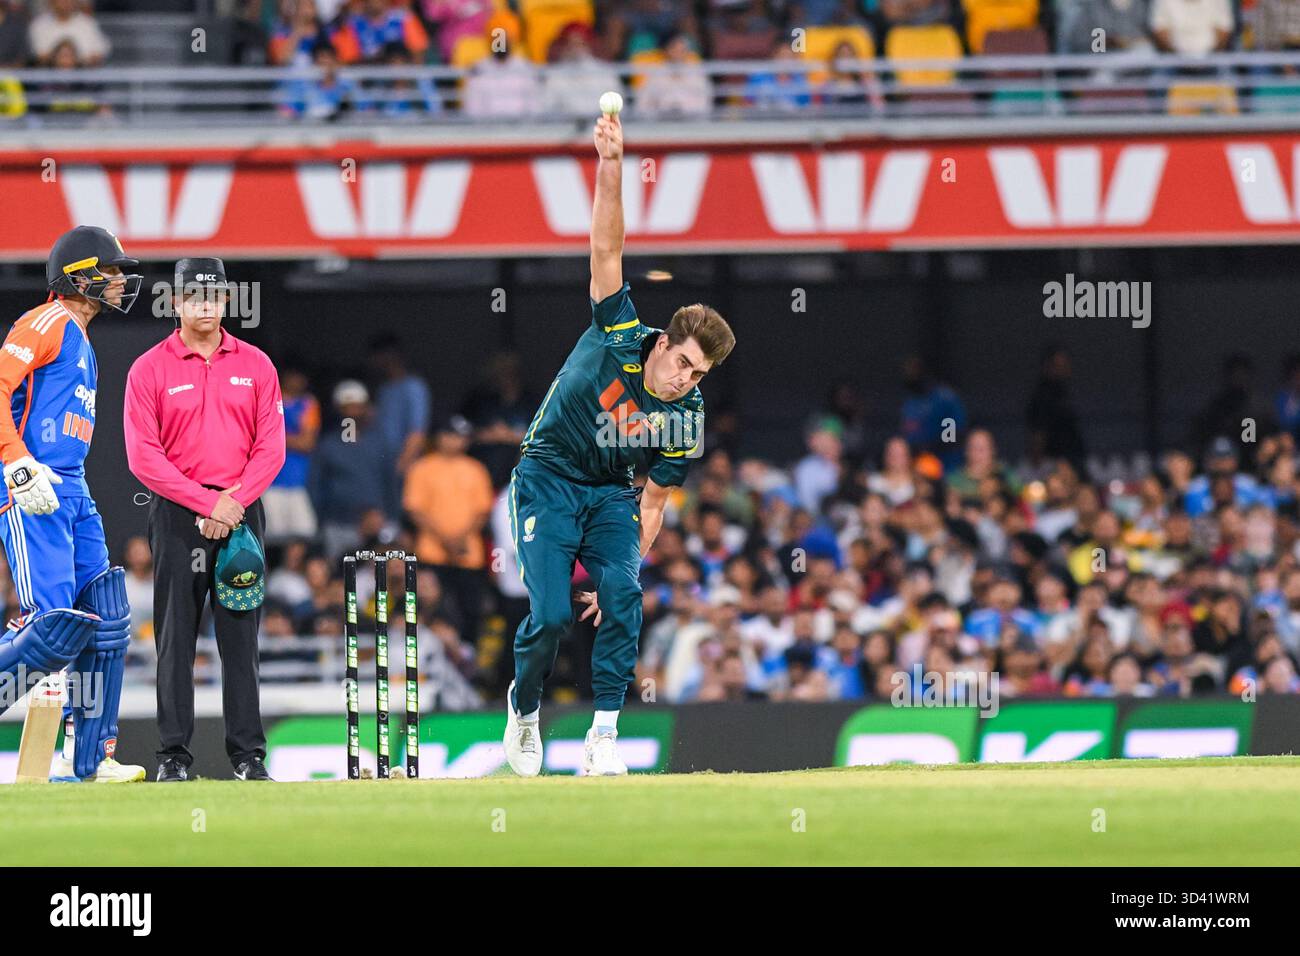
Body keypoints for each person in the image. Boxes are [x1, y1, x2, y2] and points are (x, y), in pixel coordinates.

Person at [502, 109, 735, 776]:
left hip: (609, 495)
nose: (685, 379)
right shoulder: (619, 331)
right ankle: (523, 712)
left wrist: (618, 573)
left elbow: (655, 500)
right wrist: (610, 168)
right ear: (664, 342)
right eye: (684, 363)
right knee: (548, 617)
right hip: (546, 474)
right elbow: (607, 251)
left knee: (625, 598)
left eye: (700, 374)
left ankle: (603, 738)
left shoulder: (684, 416)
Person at [123, 258, 286, 783]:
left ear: (226, 302)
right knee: (176, 639)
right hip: (178, 516)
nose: (206, 305)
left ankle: (247, 756)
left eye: (215, 296)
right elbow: (143, 457)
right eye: (195, 296)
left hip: (240, 514)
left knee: (241, 637)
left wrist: (231, 503)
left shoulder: (257, 364)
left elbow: (272, 448)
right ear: (175, 304)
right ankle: (173, 755)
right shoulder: (149, 368)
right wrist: (205, 502)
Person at [0, 224, 144, 783]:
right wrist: (14, 459)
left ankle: (88, 760)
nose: (118, 282)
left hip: (72, 485)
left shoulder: (82, 339)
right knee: (53, 627)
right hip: (31, 481)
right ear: (79, 276)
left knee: (106, 617)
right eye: (109, 272)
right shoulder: (45, 320)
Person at [263, 368, 319, 544]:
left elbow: (307, 443)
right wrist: (293, 438)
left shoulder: (308, 404)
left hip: (297, 481)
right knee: (273, 536)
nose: (298, 381)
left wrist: (276, 437)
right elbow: (259, 437)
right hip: (270, 481)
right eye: (294, 376)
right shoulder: (268, 399)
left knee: (305, 532)